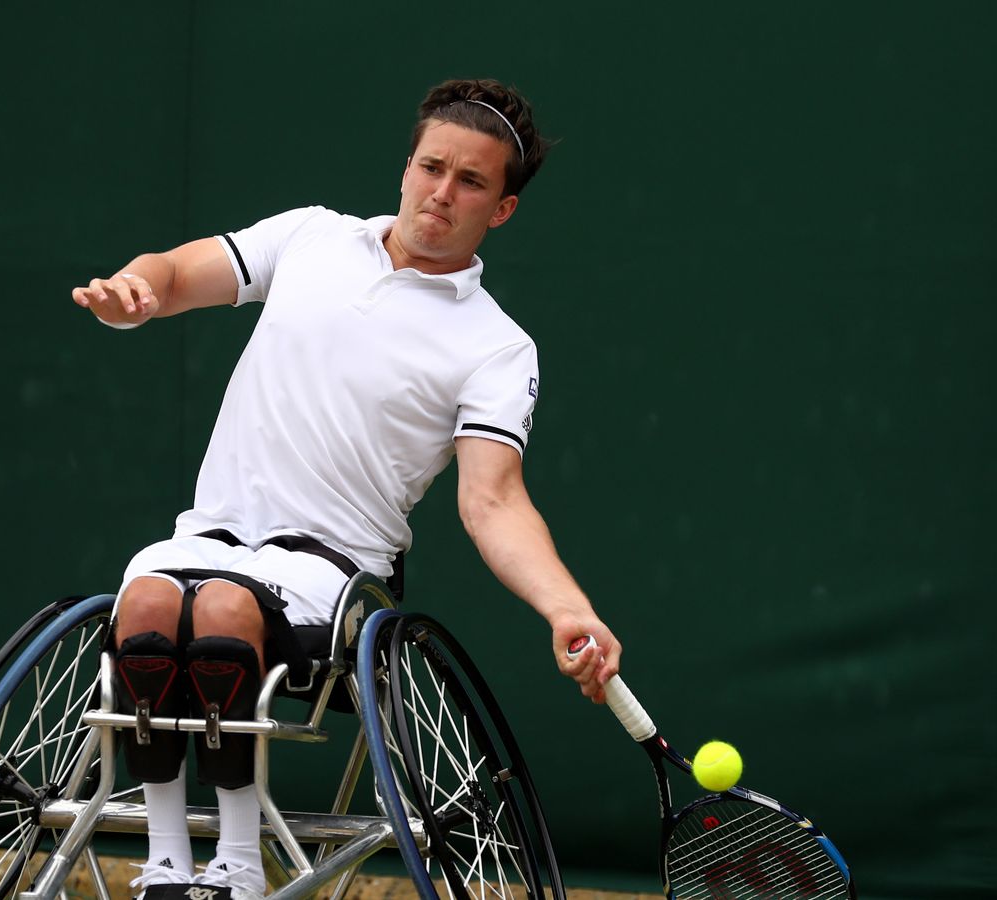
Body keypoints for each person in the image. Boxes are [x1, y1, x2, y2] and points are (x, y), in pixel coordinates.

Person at [71, 78, 621, 900]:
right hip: (210, 532)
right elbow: (176, 276)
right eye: (432, 167)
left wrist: (567, 607)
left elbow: (493, 500)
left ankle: (240, 861)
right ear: (406, 167)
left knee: (220, 611)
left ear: (500, 209)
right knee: (146, 604)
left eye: (471, 181)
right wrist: (134, 294)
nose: (442, 192)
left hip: (336, 570)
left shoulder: (500, 348)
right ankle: (163, 861)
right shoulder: (310, 238)